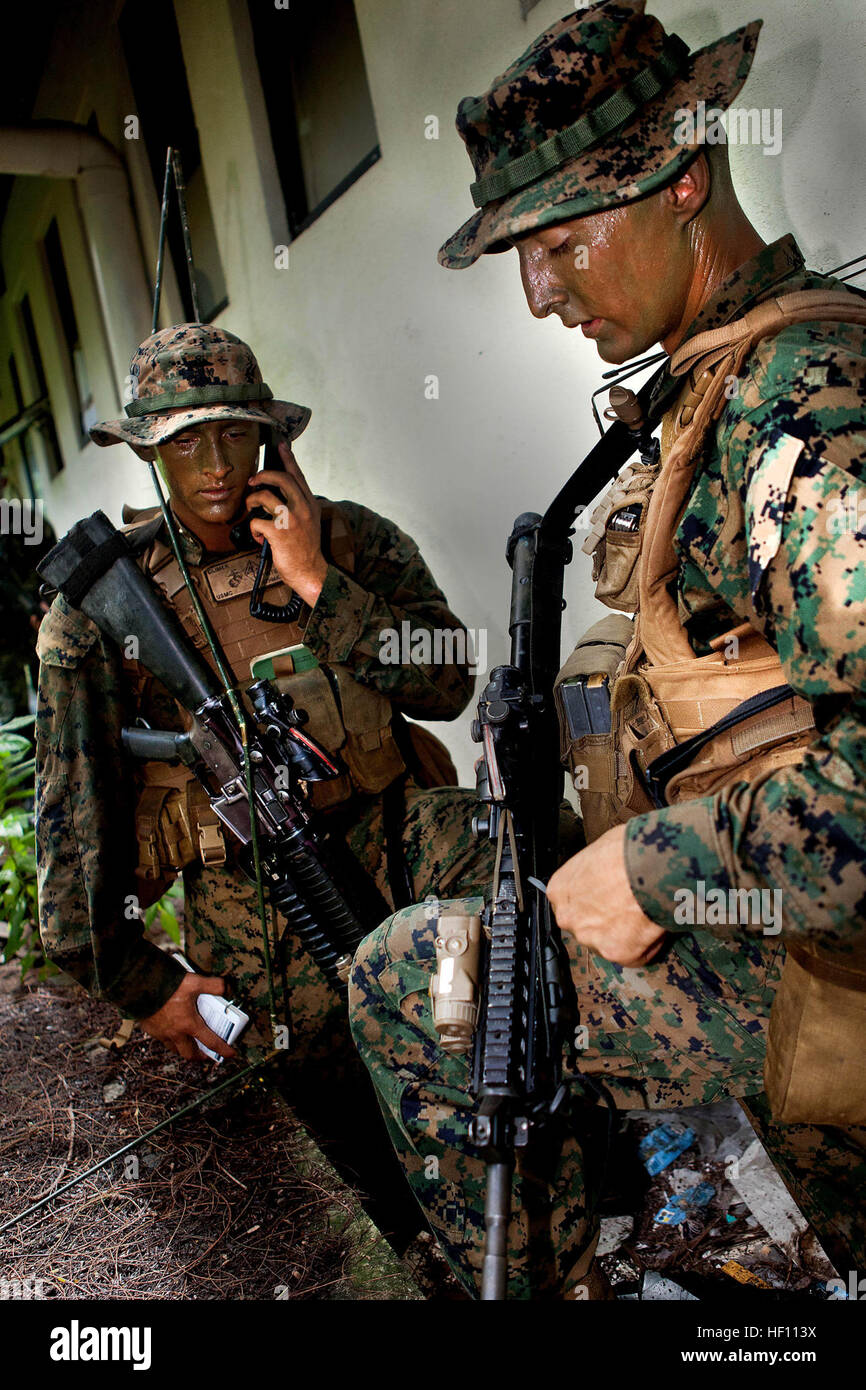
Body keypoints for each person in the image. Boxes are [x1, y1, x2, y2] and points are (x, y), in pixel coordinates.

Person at [349, 0, 866, 1298]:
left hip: (825, 1000)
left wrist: (649, 865)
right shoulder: (712, 385)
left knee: (415, 977)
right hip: (783, 953)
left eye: (560, 240)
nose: (536, 292)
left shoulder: (803, 404)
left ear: (683, 178)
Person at [35, 322, 493, 1158]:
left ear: (270, 440)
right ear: (148, 453)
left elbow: (451, 684)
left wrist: (317, 581)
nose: (215, 466)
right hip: (256, 920)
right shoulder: (99, 612)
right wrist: (144, 986)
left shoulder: (351, 541)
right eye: (185, 443)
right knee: (342, 1147)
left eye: (235, 434)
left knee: (471, 1059)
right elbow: (71, 839)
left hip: (402, 856)